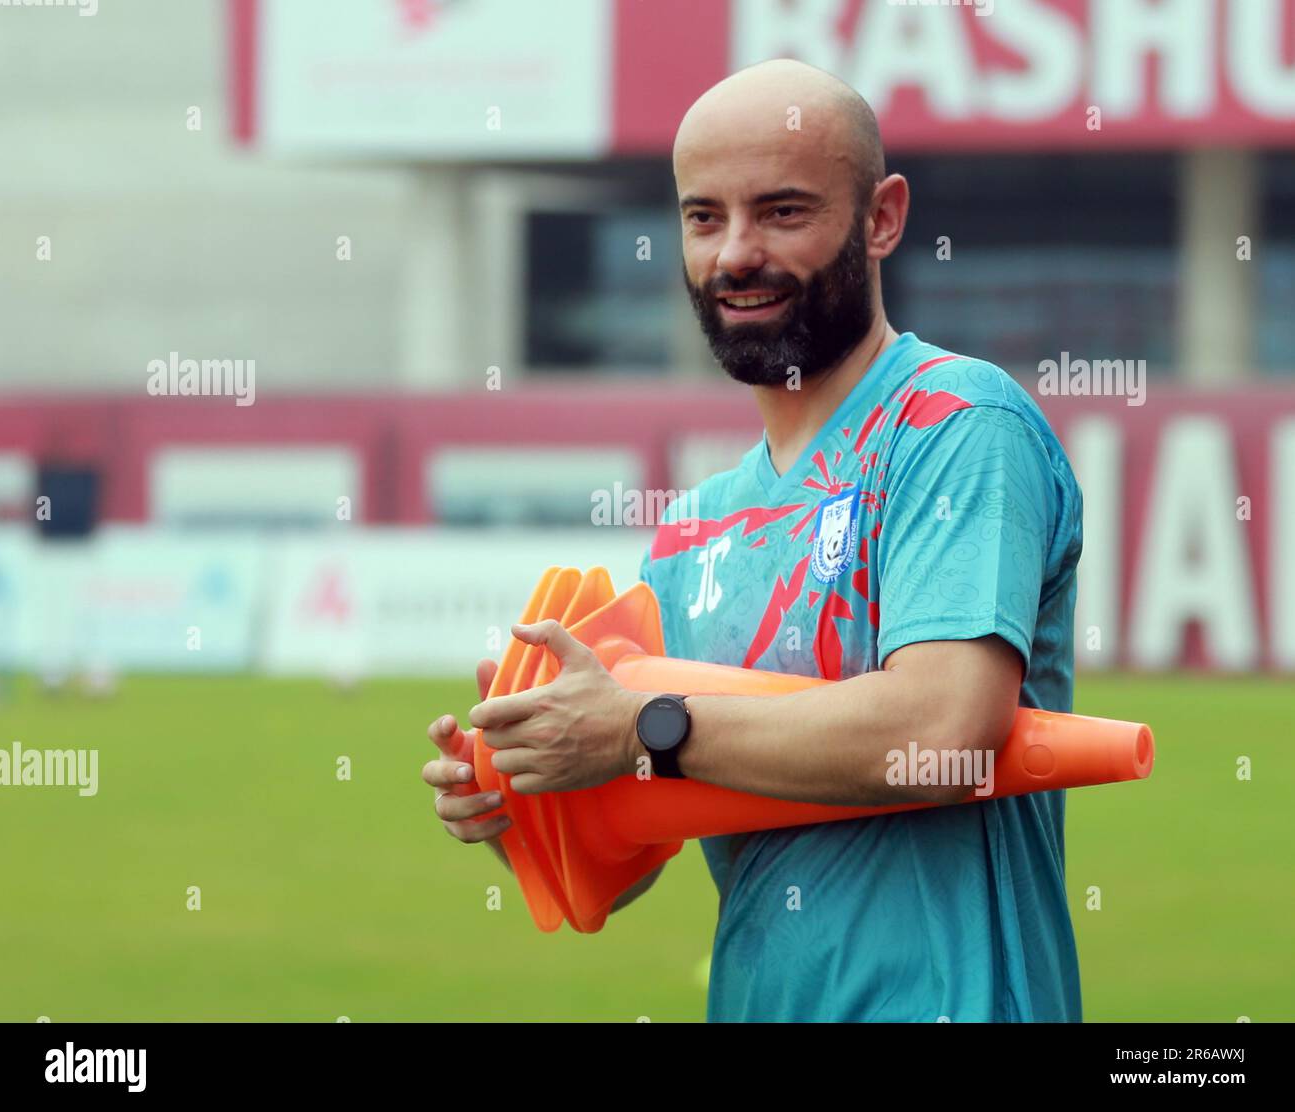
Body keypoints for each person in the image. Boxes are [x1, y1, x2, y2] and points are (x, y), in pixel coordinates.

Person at [424, 58, 1084, 1022]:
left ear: (882, 218)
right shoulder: (692, 532)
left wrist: (643, 727)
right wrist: (530, 794)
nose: (735, 253)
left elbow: (944, 734)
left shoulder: (953, 425)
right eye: (703, 217)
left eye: (782, 212)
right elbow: (634, 859)